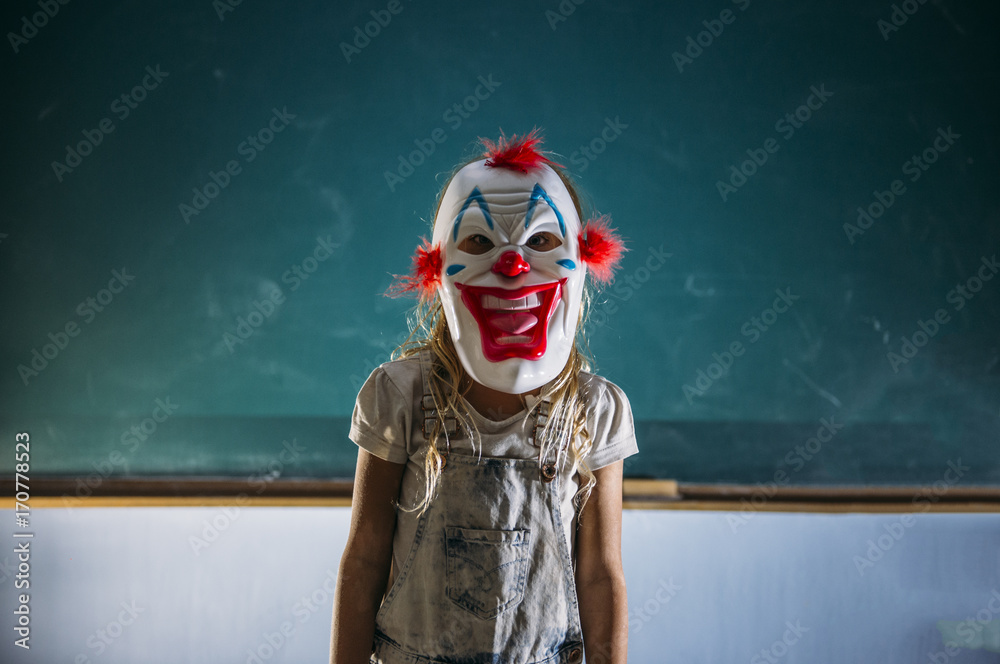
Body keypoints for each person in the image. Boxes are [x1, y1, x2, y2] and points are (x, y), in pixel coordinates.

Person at [330, 129, 637, 663]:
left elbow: (600, 574)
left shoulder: (597, 410)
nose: (512, 265)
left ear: (581, 258)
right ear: (437, 265)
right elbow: (363, 559)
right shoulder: (399, 394)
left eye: (541, 240)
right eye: (478, 241)